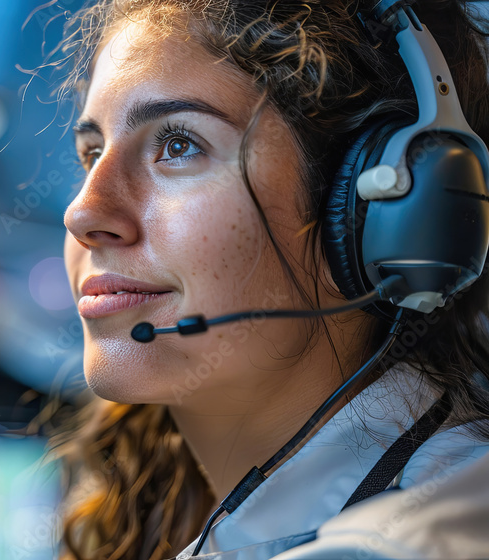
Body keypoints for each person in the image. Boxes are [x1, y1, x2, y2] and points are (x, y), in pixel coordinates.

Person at [46, 0, 489, 558]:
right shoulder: (165, 509)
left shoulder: (433, 541)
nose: (82, 213)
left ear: (377, 215)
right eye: (92, 153)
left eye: (178, 144)